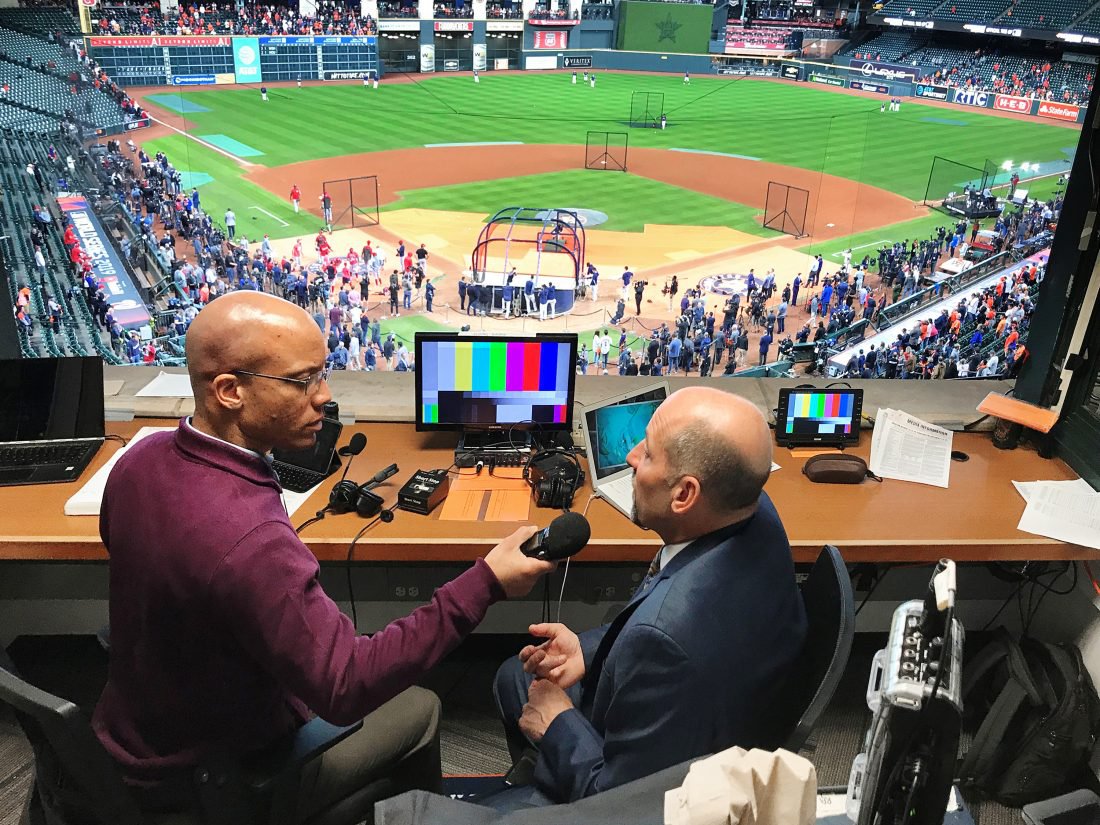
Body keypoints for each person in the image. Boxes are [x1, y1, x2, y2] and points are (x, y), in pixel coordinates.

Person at [92, 292, 553, 823]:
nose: (325, 397)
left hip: (136, 735)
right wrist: (486, 582)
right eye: (302, 381)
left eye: (322, 373)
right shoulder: (252, 541)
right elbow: (346, 688)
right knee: (420, 708)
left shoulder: (139, 460)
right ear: (229, 391)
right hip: (210, 778)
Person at [490, 388, 806, 807]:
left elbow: (621, 801)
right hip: (715, 709)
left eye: (650, 455)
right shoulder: (751, 504)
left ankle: (550, 792)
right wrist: (587, 651)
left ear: (684, 495)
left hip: (658, 783)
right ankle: (548, 773)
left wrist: (557, 725)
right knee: (516, 675)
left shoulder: (666, 638)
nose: (631, 457)